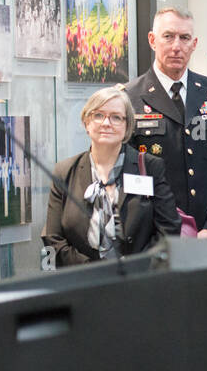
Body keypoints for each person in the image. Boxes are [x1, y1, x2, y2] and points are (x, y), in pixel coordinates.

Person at [124, 6, 207, 237]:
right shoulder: (129, 97)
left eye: (184, 38)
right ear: (152, 40)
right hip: (154, 235)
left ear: (194, 43)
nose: (176, 46)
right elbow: (126, 175)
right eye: (168, 36)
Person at [42, 85, 181, 266]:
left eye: (116, 117)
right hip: (83, 281)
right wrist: (90, 270)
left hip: (138, 282)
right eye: (98, 115)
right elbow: (52, 238)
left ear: (127, 126)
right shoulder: (64, 171)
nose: (106, 123)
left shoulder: (150, 167)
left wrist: (134, 269)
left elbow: (168, 230)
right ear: (86, 123)